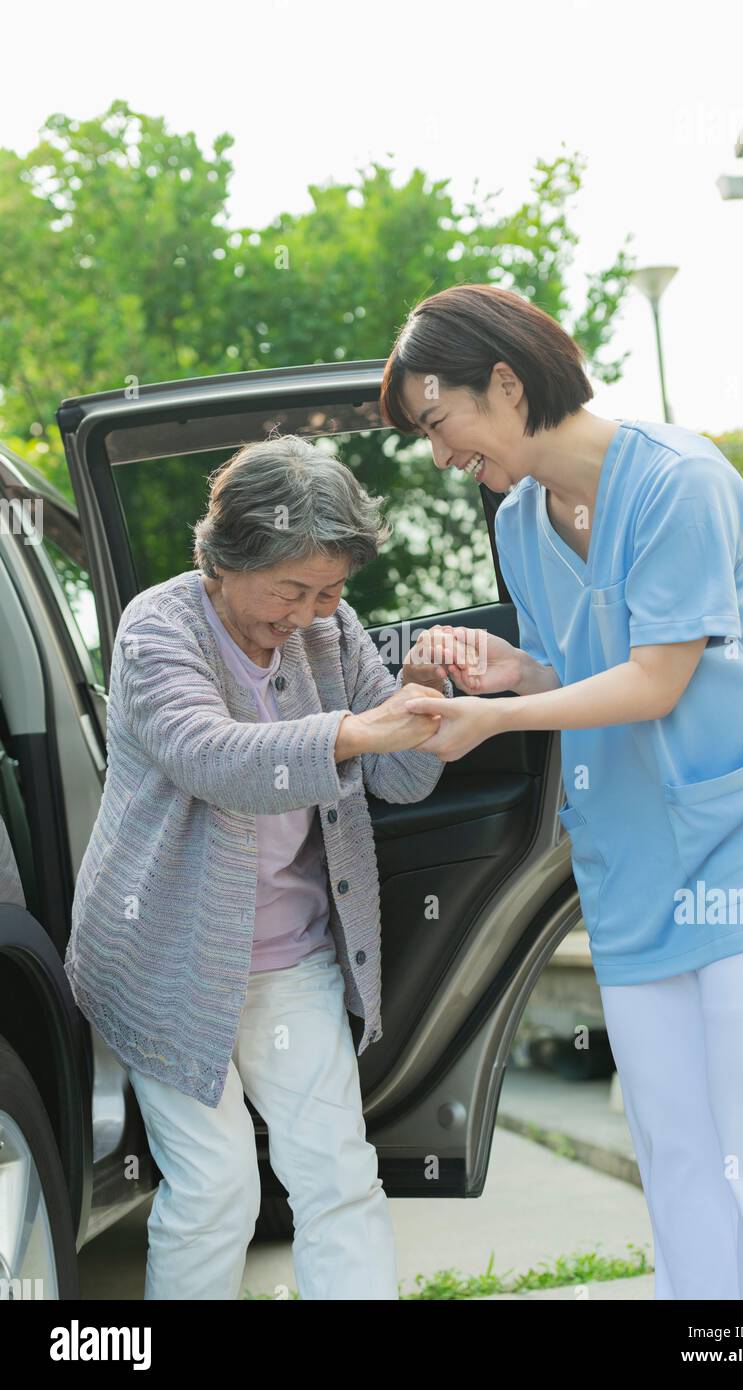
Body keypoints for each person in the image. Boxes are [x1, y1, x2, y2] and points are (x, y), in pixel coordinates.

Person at [380, 281, 743, 1300]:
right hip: (636, 870)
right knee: (678, 1156)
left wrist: (497, 721)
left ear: (505, 384)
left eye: (438, 422)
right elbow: (579, 666)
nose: (437, 453)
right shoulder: (519, 518)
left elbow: (656, 677)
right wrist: (510, 677)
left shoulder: (677, 479)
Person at [64, 433, 452, 1299]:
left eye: (331, 590)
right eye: (292, 589)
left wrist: (423, 699)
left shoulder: (331, 633)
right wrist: (358, 730)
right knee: (217, 1191)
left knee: (338, 1177)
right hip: (164, 958)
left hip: (293, 958)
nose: (312, 612)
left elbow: (398, 777)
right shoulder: (158, 627)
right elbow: (213, 757)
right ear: (226, 555)